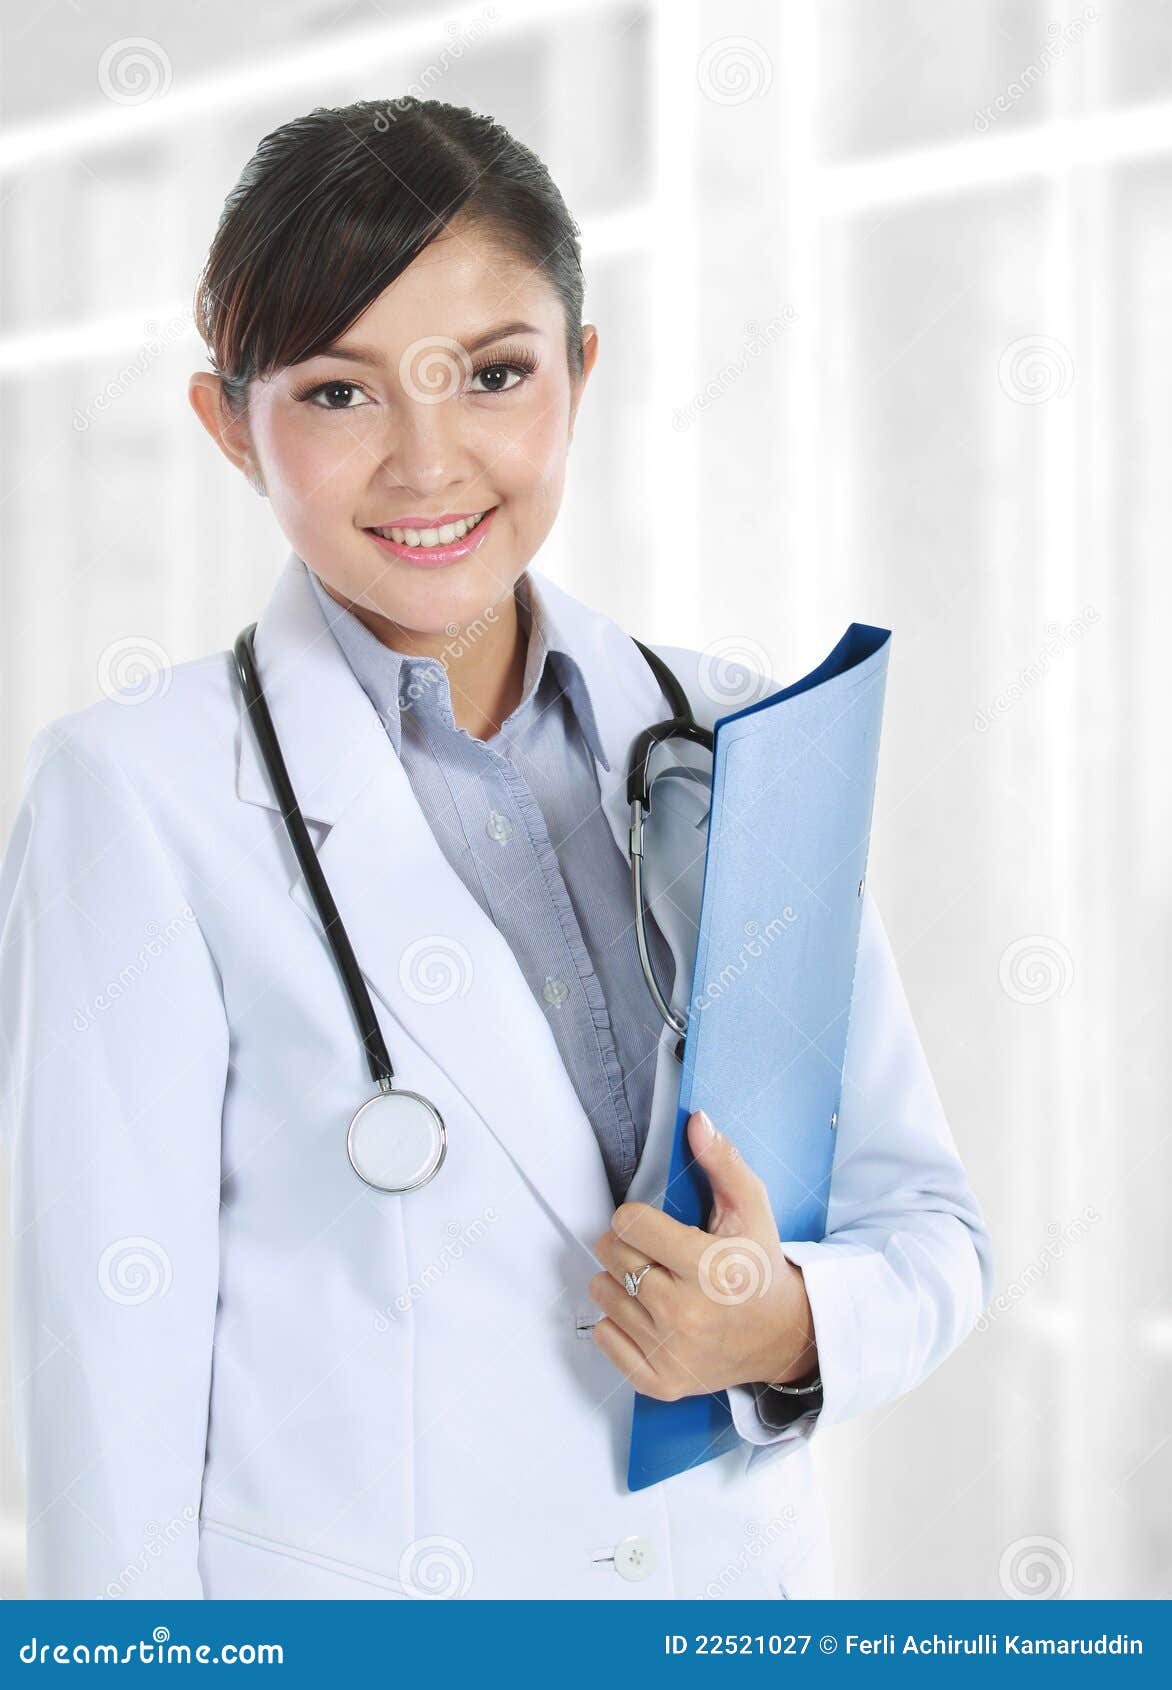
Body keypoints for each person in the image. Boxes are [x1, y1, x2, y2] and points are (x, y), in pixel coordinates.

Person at [0, 97, 992, 1601]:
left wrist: (787, 1326)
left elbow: (929, 1229)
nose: (427, 460)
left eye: (494, 375)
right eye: (338, 394)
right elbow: (106, 1389)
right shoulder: (134, 795)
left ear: (580, 377)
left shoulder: (742, 741)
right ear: (228, 425)